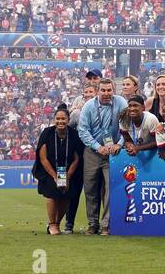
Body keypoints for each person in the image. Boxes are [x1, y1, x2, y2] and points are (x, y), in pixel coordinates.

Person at [77, 77, 127, 235]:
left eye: (109, 90)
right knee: (90, 188)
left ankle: (106, 224)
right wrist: (98, 147)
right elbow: (83, 130)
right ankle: (93, 223)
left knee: (109, 188)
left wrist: (119, 144)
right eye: (103, 90)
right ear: (97, 91)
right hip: (93, 152)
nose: (106, 93)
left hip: (114, 153)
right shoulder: (88, 106)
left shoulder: (121, 103)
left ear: (114, 90)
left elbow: (127, 127)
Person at [33, 105, 84, 235]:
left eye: (63, 119)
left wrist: (67, 176)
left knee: (66, 196)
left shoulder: (74, 134)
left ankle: (57, 223)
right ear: (54, 119)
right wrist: (55, 176)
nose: (60, 121)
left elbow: (77, 158)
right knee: (52, 194)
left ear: (68, 120)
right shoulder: (47, 133)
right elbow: (43, 158)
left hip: (68, 171)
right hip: (50, 170)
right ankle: (52, 224)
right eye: (58, 119)